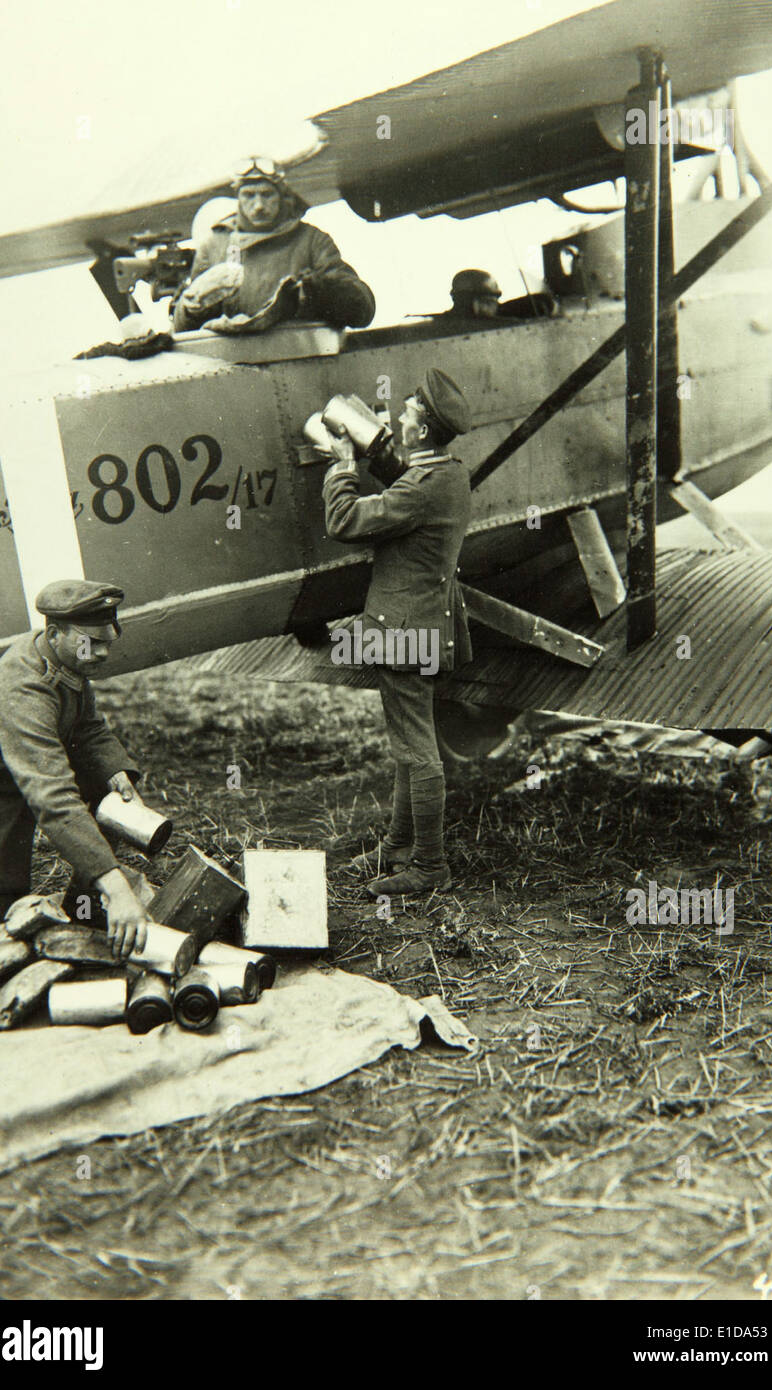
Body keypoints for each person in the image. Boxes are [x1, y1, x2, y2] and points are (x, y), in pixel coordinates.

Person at [322, 368, 473, 898]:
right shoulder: (448, 473)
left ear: (423, 431)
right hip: (424, 625)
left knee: (417, 750)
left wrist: (341, 465)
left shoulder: (424, 489)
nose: (400, 419)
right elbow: (408, 483)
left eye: (408, 414)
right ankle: (397, 847)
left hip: (402, 632)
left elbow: (343, 521)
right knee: (411, 743)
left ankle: (430, 867)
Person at [0, 580, 152, 965]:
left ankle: (88, 907)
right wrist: (118, 887)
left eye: (108, 641)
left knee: (102, 793)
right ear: (55, 633)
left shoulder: (63, 657)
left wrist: (114, 772)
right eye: (93, 644)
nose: (104, 653)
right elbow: (54, 800)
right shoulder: (22, 692)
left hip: (4, 798)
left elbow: (87, 725)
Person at [172, 158, 375, 332]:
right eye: (249, 195)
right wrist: (192, 304)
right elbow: (183, 331)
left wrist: (318, 291)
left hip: (297, 355)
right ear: (238, 199)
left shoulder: (312, 240)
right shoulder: (214, 246)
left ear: (282, 196)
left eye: (267, 194)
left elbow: (363, 309)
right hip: (234, 360)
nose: (259, 206)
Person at [443, 268, 556, 321]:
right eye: (491, 301)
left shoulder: (446, 321)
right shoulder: (486, 323)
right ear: (477, 304)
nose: (497, 306)